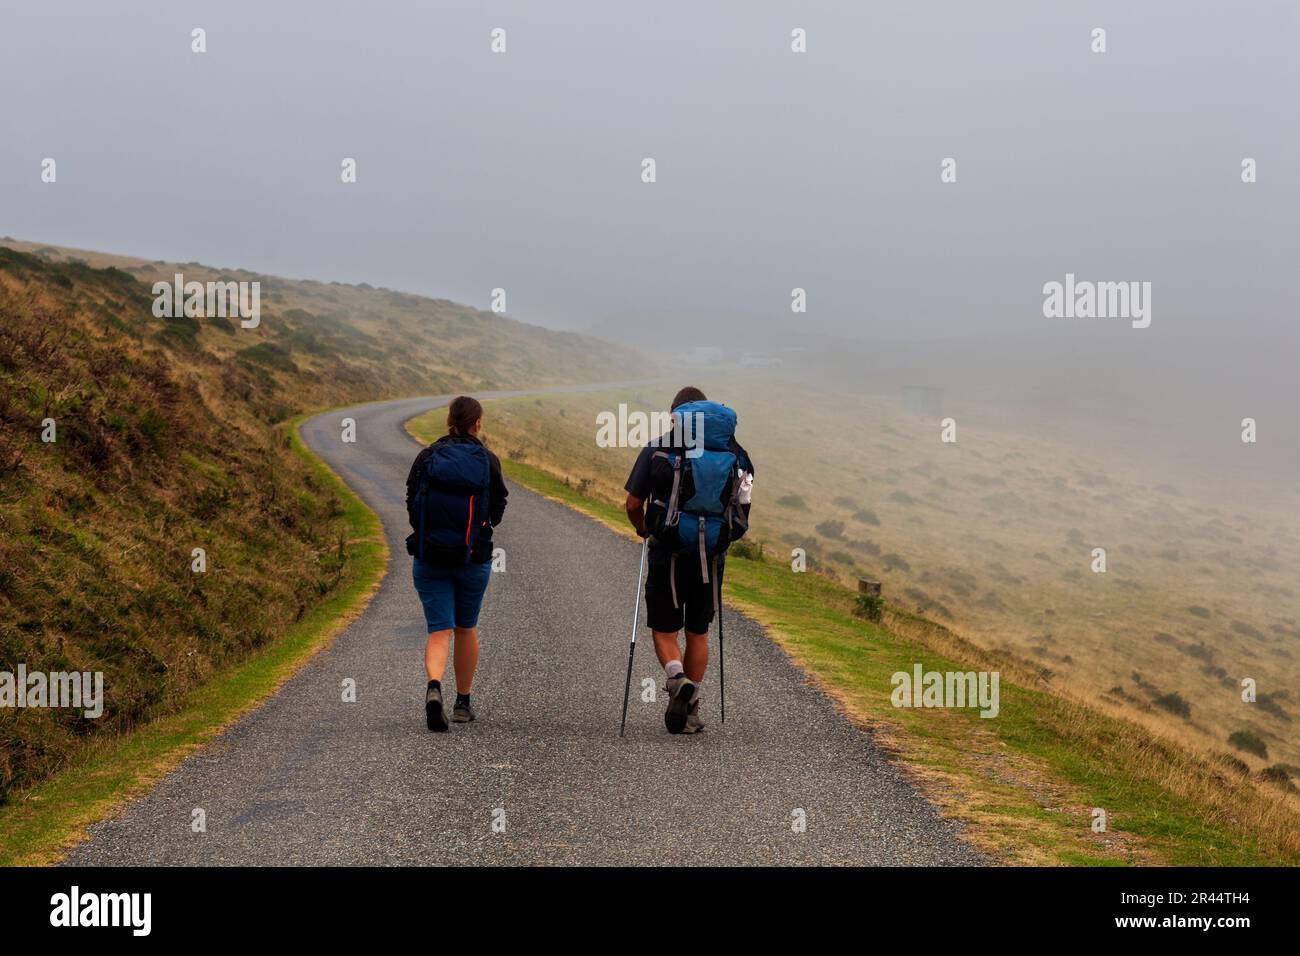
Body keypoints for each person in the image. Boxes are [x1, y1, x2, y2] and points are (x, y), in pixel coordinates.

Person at [624, 387, 754, 734]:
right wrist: (721, 539)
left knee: (665, 629)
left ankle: (675, 677)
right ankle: (691, 707)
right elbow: (743, 509)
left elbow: (633, 504)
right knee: (698, 633)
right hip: (711, 557)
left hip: (667, 551)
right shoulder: (738, 456)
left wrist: (644, 530)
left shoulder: (657, 450)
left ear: (675, 416)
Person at [406, 396, 508, 732]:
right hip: (472, 556)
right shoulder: (487, 460)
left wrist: (429, 535)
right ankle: (463, 702)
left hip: (430, 555)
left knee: (439, 631)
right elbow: (497, 509)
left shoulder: (427, 456)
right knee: (466, 628)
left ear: (449, 420)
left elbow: (412, 503)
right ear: (477, 423)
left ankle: (434, 686)